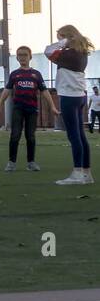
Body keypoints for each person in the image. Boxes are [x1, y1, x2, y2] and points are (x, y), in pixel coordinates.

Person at [0, 46, 57, 171]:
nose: (22, 57)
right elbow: (7, 90)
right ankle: (11, 163)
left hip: (32, 110)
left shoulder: (36, 74)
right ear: (17, 57)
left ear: (30, 57)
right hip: (18, 109)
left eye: (25, 55)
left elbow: (44, 91)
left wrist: (53, 107)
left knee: (30, 136)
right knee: (15, 135)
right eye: (20, 55)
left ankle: (31, 163)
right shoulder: (15, 74)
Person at [45, 26, 93, 185]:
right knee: (80, 135)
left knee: (73, 136)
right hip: (79, 97)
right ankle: (86, 173)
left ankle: (77, 173)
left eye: (60, 37)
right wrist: (67, 40)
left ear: (67, 37)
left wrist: (64, 41)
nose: (59, 41)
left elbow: (48, 51)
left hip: (69, 97)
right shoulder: (81, 53)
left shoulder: (68, 54)